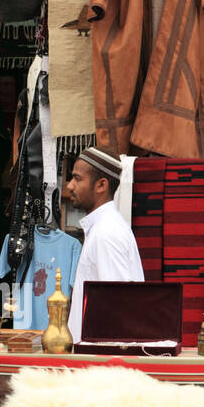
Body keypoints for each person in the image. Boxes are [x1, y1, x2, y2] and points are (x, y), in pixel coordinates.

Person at [65, 146, 144, 341]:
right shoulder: (103, 229)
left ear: (101, 185)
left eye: (77, 178)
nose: (69, 186)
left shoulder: (106, 234)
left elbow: (116, 311)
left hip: (98, 363)